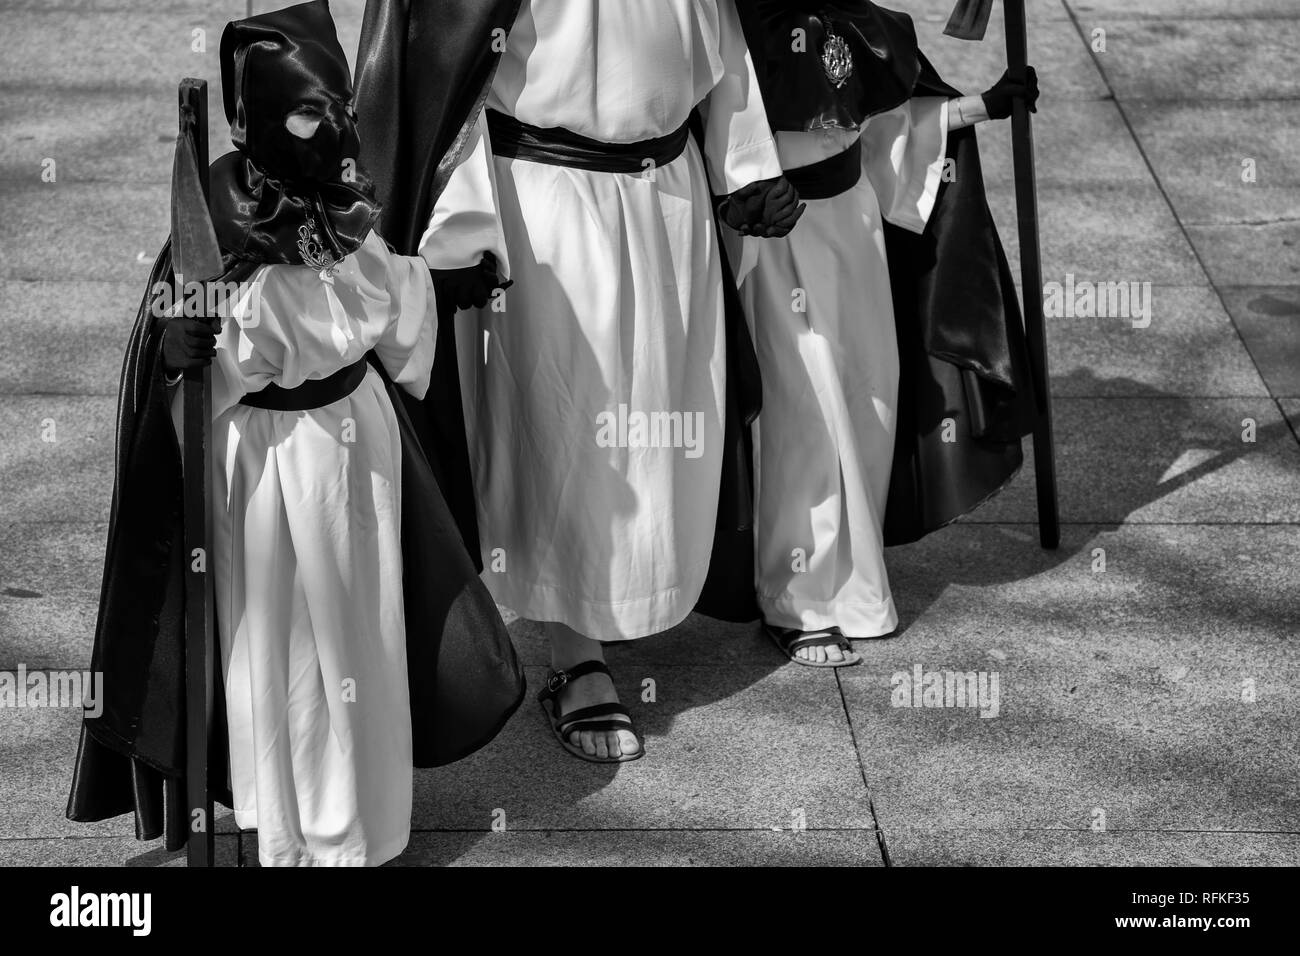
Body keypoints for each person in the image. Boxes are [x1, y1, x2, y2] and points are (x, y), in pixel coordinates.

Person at [66, 0, 524, 865]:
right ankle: (286, 826)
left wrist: (446, 285)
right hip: (266, 470)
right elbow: (175, 381)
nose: (333, 131)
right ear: (260, 116)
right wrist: (178, 350)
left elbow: (390, 297)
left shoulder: (344, 213)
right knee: (281, 645)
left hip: (362, 447)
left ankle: (365, 825)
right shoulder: (220, 225)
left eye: (339, 108)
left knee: (363, 635)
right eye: (307, 112)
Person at [357, 0, 803, 763]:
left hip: (670, 193)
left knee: (665, 425)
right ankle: (577, 657)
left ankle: (645, 591)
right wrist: (461, 230)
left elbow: (718, 25)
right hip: (547, 207)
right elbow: (449, 69)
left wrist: (745, 161)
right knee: (572, 440)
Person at [732, 0, 1040, 665]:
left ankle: (848, 583)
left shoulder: (851, 16)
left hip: (853, 223)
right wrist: (746, 189)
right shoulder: (734, 17)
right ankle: (796, 598)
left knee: (869, 397)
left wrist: (978, 107)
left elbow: (888, 125)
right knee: (802, 407)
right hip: (775, 234)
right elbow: (703, 113)